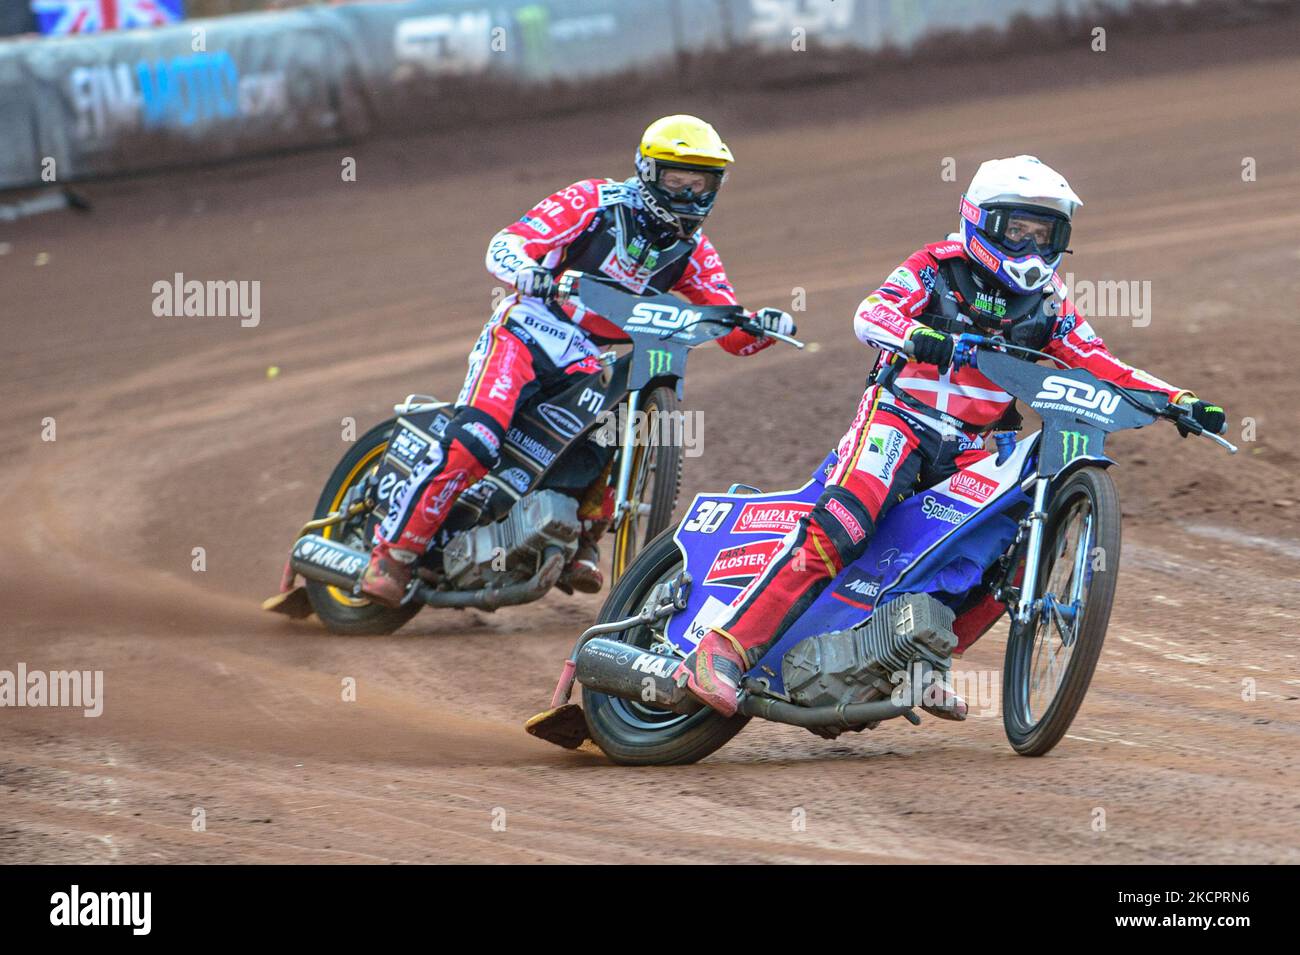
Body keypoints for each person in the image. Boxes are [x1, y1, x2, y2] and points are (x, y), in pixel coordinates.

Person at [676, 155, 1227, 717]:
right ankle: (724, 649)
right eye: (1019, 230)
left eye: (1046, 234)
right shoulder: (936, 266)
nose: (1033, 246)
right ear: (980, 220)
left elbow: (1098, 361)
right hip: (898, 419)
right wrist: (922, 338)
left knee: (997, 553)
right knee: (843, 524)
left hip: (970, 447)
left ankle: (919, 660)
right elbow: (871, 314)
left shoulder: (1050, 301)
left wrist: (1177, 400)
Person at [360, 115, 796, 607]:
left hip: (586, 360)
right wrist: (528, 271)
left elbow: (726, 322)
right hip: (525, 334)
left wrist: (762, 326)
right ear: (650, 172)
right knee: (476, 440)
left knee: (611, 420)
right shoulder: (594, 201)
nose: (692, 194)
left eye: (703, 182)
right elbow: (506, 243)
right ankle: (392, 552)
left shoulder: (694, 251)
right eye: (679, 180)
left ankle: (578, 535)